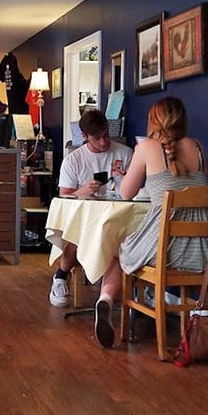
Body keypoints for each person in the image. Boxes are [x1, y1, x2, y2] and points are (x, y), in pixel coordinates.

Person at [93, 96, 208, 348]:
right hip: (203, 251)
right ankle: (152, 297)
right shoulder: (199, 148)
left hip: (164, 251)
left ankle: (106, 298)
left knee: (116, 246)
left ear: (154, 120)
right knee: (134, 244)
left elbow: (125, 193)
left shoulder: (146, 147)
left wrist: (124, 177)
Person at [49, 108, 133, 309]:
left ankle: (114, 294)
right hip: (83, 220)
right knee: (78, 232)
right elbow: (63, 196)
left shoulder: (126, 153)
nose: (103, 142)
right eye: (97, 138)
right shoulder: (73, 160)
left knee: (124, 236)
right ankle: (61, 276)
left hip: (118, 217)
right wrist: (82, 191)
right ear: (85, 137)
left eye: (106, 136)